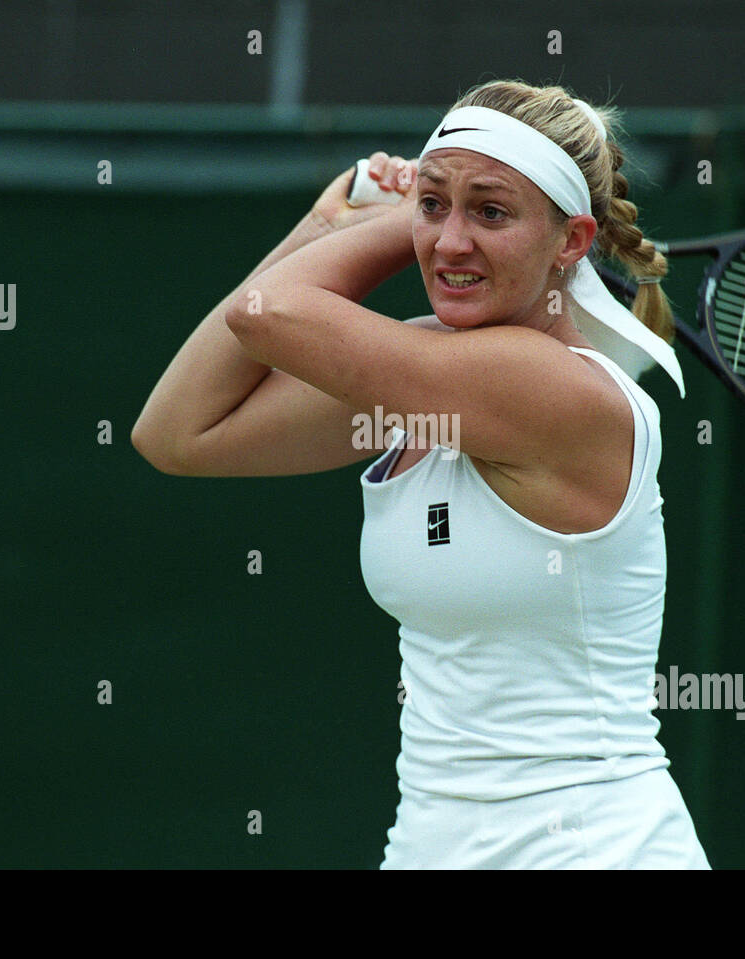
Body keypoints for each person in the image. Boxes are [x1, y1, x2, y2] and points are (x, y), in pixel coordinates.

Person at [132, 79, 709, 868]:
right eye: (435, 208)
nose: (450, 242)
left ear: (572, 241)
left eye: (491, 211)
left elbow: (263, 313)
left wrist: (394, 219)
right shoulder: (426, 380)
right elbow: (177, 432)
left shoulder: (550, 389)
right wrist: (319, 226)